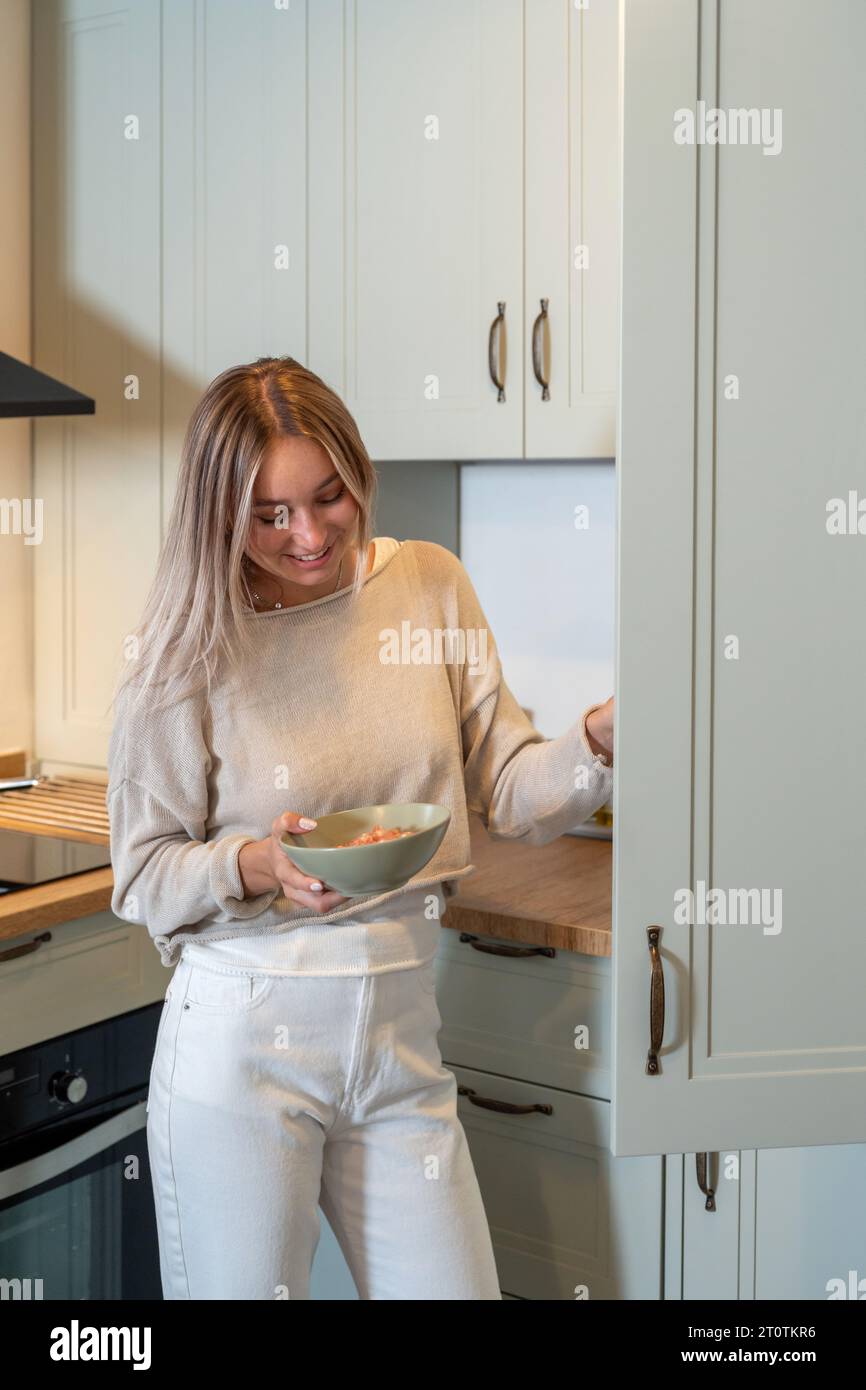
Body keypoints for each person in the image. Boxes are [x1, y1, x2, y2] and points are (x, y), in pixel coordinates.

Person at [106, 355, 615, 1301]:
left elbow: (507, 786)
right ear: (222, 515)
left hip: (400, 1036)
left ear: (356, 467)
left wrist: (597, 741)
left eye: (329, 496)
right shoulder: (189, 640)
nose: (308, 536)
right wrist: (261, 863)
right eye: (269, 515)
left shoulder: (428, 586)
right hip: (242, 1046)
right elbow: (141, 876)